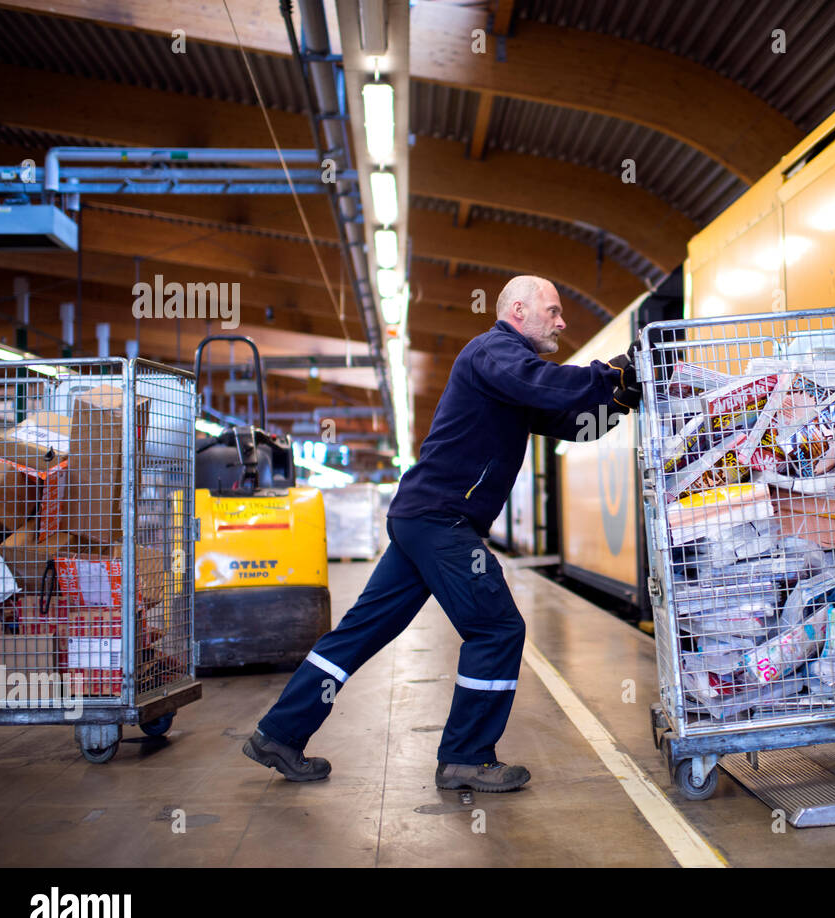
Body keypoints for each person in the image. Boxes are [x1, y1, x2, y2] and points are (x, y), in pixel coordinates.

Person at [243, 275, 641, 792]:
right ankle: (466, 756)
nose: (562, 322)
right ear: (518, 311)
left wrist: (621, 400)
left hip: (420, 517)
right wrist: (612, 369)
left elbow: (569, 423)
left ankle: (278, 734)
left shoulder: (508, 373)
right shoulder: (493, 351)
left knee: (361, 632)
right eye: (553, 311)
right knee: (497, 629)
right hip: (440, 520)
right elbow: (541, 383)